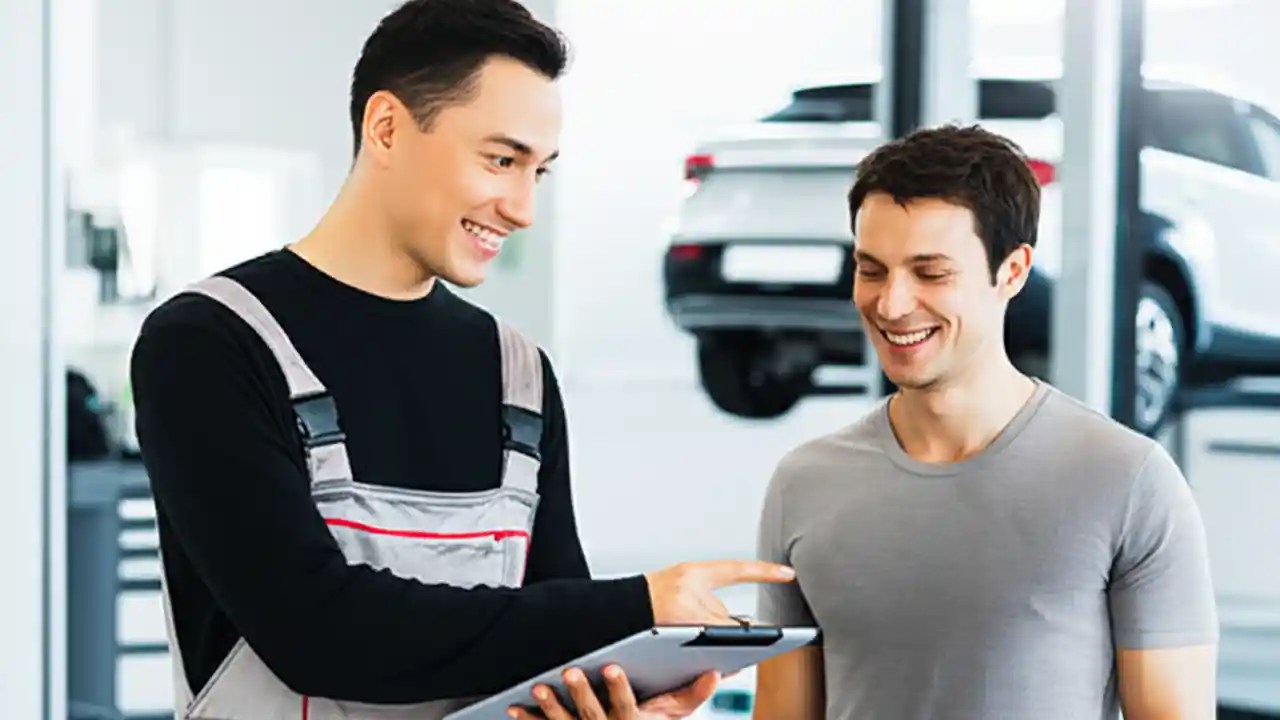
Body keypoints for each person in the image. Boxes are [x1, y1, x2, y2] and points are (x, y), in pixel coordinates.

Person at [129, 2, 796, 718]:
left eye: (538, 171)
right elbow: (315, 630)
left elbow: (548, 645)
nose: (522, 207)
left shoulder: (520, 374)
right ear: (386, 128)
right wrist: (634, 608)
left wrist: (607, 696)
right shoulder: (209, 343)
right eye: (501, 160)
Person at [751, 124, 1219, 720]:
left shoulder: (1127, 482)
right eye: (872, 270)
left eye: (931, 273)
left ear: (1013, 271)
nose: (891, 304)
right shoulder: (804, 484)